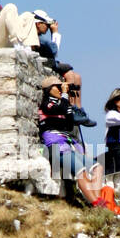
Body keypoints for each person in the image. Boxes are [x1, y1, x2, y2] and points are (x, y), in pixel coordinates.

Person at [38, 76, 104, 204]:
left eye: (61, 86)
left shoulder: (62, 104)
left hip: (67, 145)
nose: (60, 89)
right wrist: (64, 95)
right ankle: (97, 204)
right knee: (81, 171)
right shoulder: (46, 104)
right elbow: (58, 108)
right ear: (48, 89)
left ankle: (98, 200)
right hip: (57, 147)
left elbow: (69, 125)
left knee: (97, 167)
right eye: (57, 86)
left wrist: (69, 102)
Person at [33, 10, 97, 128]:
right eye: (46, 25)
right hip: (45, 62)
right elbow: (54, 51)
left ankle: (78, 109)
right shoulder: (38, 38)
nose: (48, 28)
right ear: (38, 24)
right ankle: (71, 108)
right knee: (70, 75)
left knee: (77, 77)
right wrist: (55, 32)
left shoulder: (39, 37)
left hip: (48, 61)